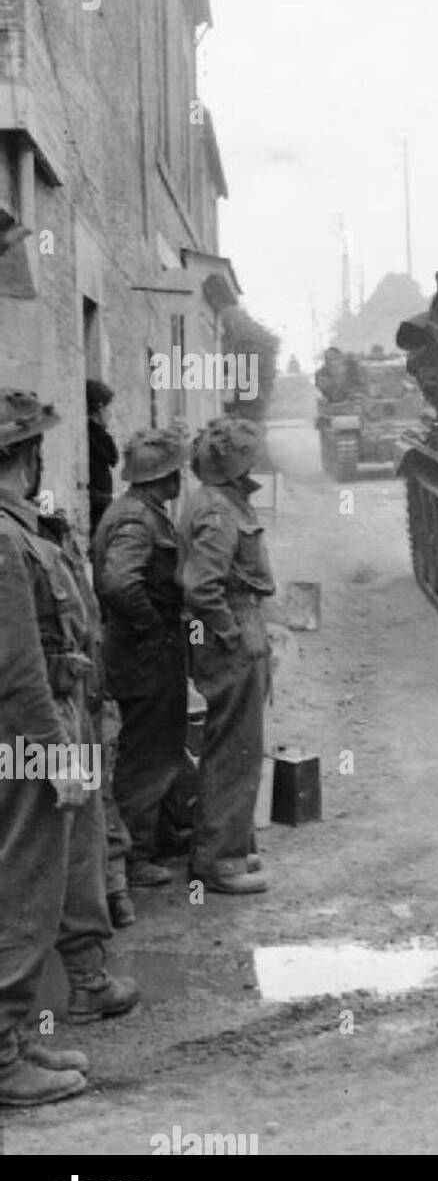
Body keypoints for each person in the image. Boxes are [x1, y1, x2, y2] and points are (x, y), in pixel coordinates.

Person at [0, 390, 138, 1109]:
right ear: (28, 455)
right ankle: (2, 1060)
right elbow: (19, 669)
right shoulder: (3, 538)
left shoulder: (20, 530)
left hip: (39, 722)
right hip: (24, 736)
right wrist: (57, 757)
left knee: (39, 880)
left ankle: (17, 1040)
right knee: (22, 888)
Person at [180, 416, 275, 896]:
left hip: (237, 629)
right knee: (234, 749)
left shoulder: (222, 499)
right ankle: (219, 862)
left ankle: (229, 845)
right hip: (231, 638)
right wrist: (231, 635)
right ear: (233, 466)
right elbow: (202, 588)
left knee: (237, 744)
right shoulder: (218, 512)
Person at [92, 427, 189, 895]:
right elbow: (117, 583)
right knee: (146, 755)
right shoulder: (136, 521)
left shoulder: (141, 511)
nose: (181, 480)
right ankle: (134, 857)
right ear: (162, 477)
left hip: (147, 651)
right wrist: (152, 627)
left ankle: (161, 836)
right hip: (145, 652)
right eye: (176, 472)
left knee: (161, 745)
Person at [85, 379, 117, 538]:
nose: (110, 414)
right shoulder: (90, 439)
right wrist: (110, 498)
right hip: (92, 515)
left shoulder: (100, 436)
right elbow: (85, 488)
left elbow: (113, 457)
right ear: (99, 410)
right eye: (107, 408)